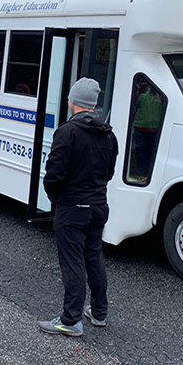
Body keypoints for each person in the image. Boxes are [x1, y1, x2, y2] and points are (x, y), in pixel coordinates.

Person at [38, 78, 119, 337]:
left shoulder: (67, 132)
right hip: (98, 205)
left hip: (72, 207)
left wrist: (56, 197)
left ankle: (71, 320)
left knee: (72, 261)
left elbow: (54, 174)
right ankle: (99, 311)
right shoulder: (109, 134)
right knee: (93, 256)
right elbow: (109, 172)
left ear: (72, 101)